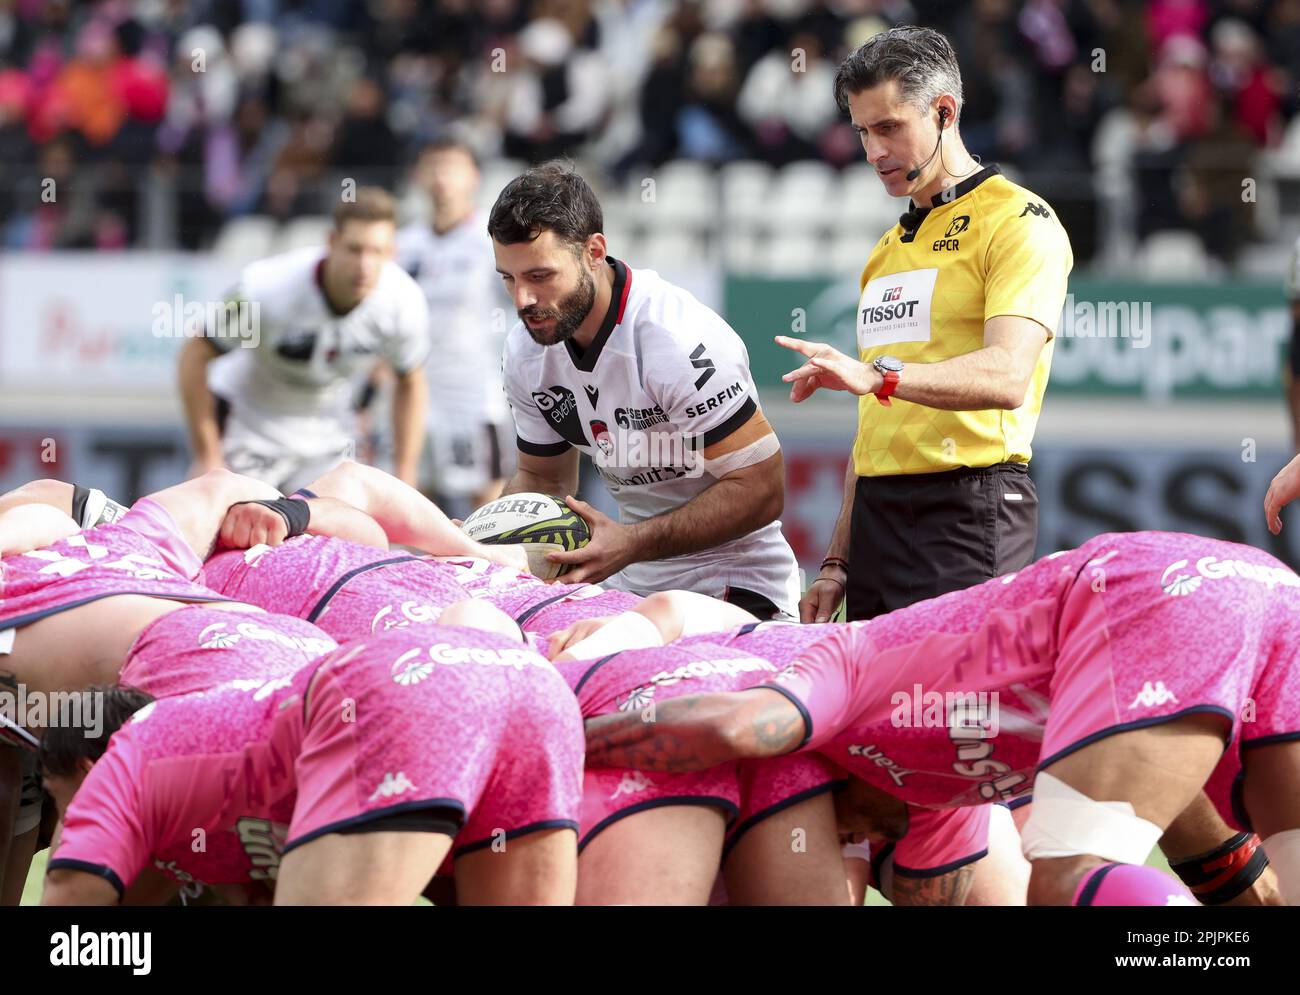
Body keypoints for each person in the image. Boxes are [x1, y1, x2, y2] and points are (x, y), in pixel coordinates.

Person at [584, 530, 1300, 905]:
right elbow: (1205, 847)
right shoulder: (937, 794)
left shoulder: (840, 660)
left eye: (836, 819)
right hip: (1266, 589)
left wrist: (571, 732)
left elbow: (738, 726)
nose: (852, 836)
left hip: (1151, 589)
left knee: (1070, 878)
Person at [491, 161, 800, 618]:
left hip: (735, 582)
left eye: (540, 276)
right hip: (629, 581)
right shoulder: (527, 350)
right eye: (509, 279)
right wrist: (487, 543)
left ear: (594, 251)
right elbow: (543, 480)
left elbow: (763, 486)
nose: (523, 301)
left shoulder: (672, 337)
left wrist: (631, 542)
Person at [178, 187, 430, 493]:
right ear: (332, 242)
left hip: (332, 440)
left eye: (377, 252)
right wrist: (208, 455)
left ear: (392, 252)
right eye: (354, 249)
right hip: (250, 433)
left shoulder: (403, 302)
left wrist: (406, 475)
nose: (364, 265)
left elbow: (411, 382)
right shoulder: (265, 289)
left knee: (345, 535)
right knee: (239, 534)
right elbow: (194, 354)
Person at [396, 140, 515, 518]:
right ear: (418, 175)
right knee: (414, 494)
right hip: (415, 390)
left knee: (487, 496)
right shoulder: (403, 244)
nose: (441, 177)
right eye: (433, 165)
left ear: (473, 177)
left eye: (452, 166)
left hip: (473, 391)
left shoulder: (490, 241)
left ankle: (493, 573)